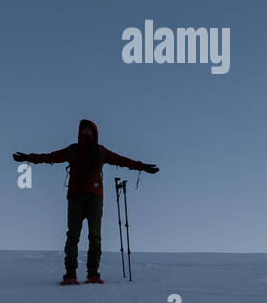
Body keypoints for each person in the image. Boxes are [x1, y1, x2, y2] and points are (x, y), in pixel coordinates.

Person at [13, 119, 158, 284]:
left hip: (94, 197)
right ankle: (70, 273)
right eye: (84, 130)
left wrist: (142, 166)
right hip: (76, 196)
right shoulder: (73, 150)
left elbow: (122, 160)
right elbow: (50, 156)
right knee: (73, 235)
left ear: (94, 133)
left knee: (94, 235)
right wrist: (28, 158)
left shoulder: (101, 151)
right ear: (80, 132)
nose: (87, 132)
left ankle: (93, 272)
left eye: (89, 130)